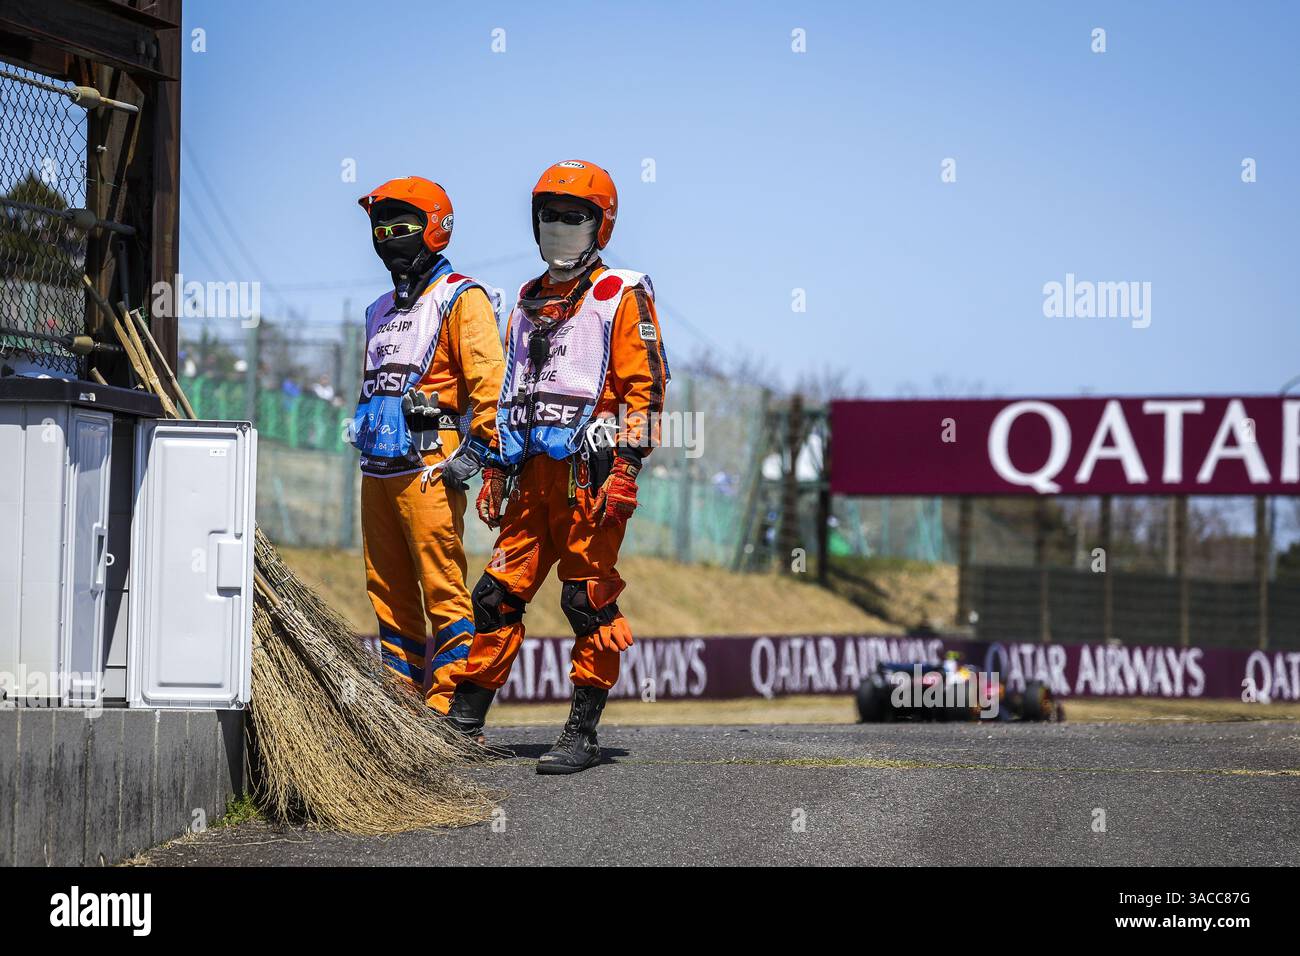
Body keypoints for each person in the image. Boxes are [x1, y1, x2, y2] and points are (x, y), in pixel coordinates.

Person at [447, 160, 670, 774]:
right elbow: (510, 389)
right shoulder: (524, 301)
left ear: (602, 225)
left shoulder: (620, 293)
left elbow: (645, 389)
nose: (560, 228)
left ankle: (582, 734)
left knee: (585, 599)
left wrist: (626, 465)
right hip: (530, 477)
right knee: (494, 596)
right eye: (549, 217)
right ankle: (463, 726)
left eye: (575, 218)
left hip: (590, 477)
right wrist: (495, 465)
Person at [352, 176, 504, 713]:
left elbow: (491, 381)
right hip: (376, 467)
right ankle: (399, 711)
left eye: (404, 226)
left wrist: (477, 454)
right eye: (382, 227)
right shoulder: (375, 310)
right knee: (387, 593)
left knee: (443, 587)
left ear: (435, 228)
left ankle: (448, 711)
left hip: (430, 462)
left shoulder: (462, 297)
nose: (391, 236)